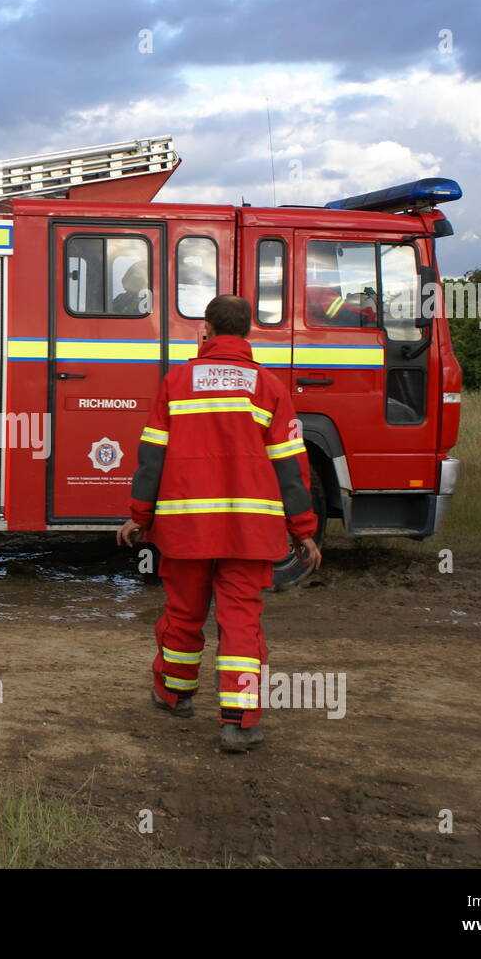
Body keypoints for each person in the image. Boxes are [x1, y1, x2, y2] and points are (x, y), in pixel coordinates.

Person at [117, 294, 322, 753]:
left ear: (205, 329)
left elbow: (151, 460)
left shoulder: (177, 381)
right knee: (241, 624)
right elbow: (291, 467)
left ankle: (173, 696)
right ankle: (239, 722)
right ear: (249, 331)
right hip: (250, 535)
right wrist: (303, 530)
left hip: (186, 530)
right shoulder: (269, 387)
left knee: (184, 615)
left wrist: (139, 518)